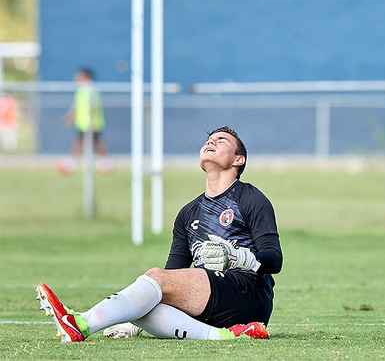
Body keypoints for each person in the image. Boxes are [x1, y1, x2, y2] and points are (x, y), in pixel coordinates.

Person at [37, 126, 283, 343]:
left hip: (249, 296)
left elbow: (275, 259)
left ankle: (80, 323)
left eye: (221, 141)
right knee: (148, 297)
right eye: (209, 140)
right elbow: (171, 276)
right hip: (210, 302)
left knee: (152, 281)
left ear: (238, 159)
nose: (211, 142)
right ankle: (226, 336)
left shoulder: (251, 199)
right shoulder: (188, 214)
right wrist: (133, 318)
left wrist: (237, 257)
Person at [60, 67, 107, 174]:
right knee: (81, 143)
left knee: (96, 143)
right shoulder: (81, 90)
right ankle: (74, 163)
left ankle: (104, 163)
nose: (76, 78)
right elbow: (77, 106)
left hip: (92, 123)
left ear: (86, 77)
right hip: (83, 123)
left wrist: (91, 120)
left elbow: (93, 106)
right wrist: (70, 116)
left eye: (79, 76)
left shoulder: (91, 90)